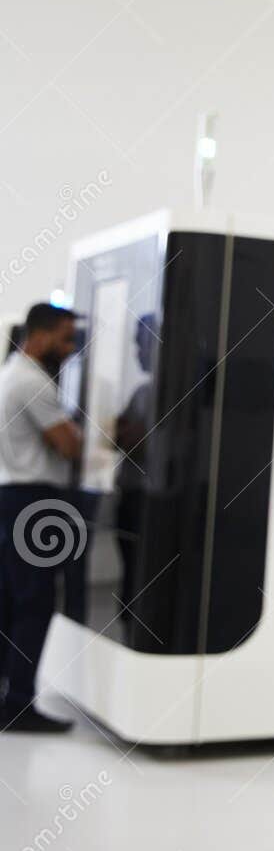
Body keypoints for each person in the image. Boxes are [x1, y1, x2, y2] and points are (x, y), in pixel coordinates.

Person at [0, 302, 84, 732]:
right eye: (66, 338)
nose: (70, 348)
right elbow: (68, 446)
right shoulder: (34, 383)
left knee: (11, 599)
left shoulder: (10, 373)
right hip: (34, 502)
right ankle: (18, 704)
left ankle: (7, 698)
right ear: (42, 333)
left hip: (10, 497)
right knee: (35, 601)